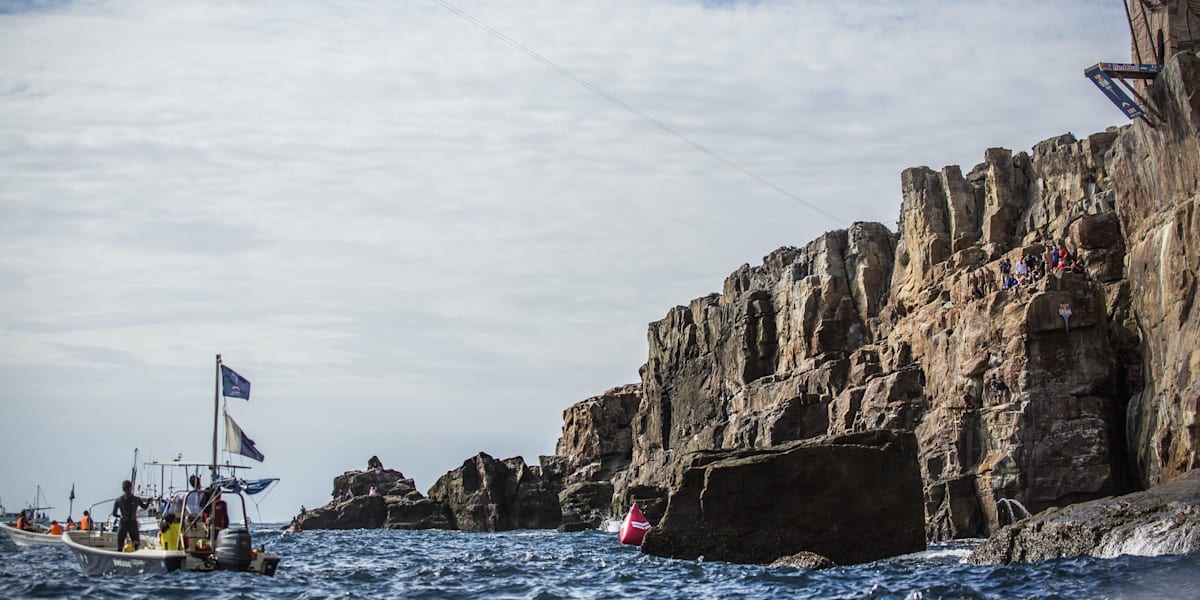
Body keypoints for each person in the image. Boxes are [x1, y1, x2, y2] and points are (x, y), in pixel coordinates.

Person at [113, 479, 149, 551]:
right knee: (132, 544)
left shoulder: (119, 500)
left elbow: (114, 514)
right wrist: (149, 501)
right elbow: (145, 507)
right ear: (131, 488)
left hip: (127, 523)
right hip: (130, 523)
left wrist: (119, 516)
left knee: (124, 544)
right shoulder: (134, 499)